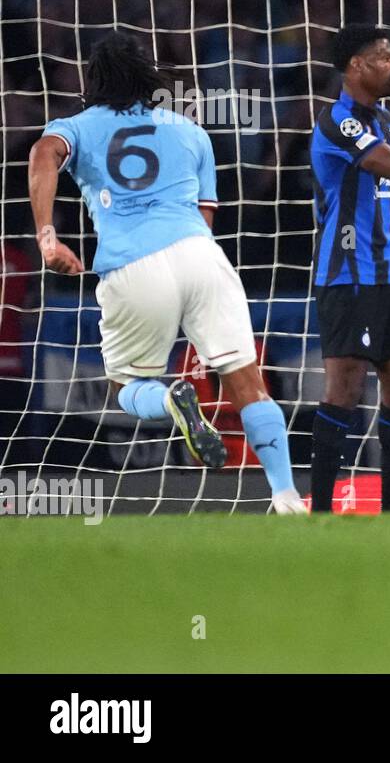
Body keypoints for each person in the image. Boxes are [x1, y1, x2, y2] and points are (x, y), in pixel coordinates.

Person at [27, 32, 305, 513]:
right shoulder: (190, 130)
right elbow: (207, 216)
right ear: (149, 76)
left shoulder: (77, 126)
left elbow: (42, 154)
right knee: (247, 381)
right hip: (201, 256)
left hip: (134, 266)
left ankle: (172, 404)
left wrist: (48, 236)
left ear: (94, 79)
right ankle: (285, 496)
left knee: (127, 388)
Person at [308, 25, 390, 514]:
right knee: (345, 388)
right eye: (384, 58)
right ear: (355, 66)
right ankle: (320, 510)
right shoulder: (338, 122)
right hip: (347, 277)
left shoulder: (385, 120)